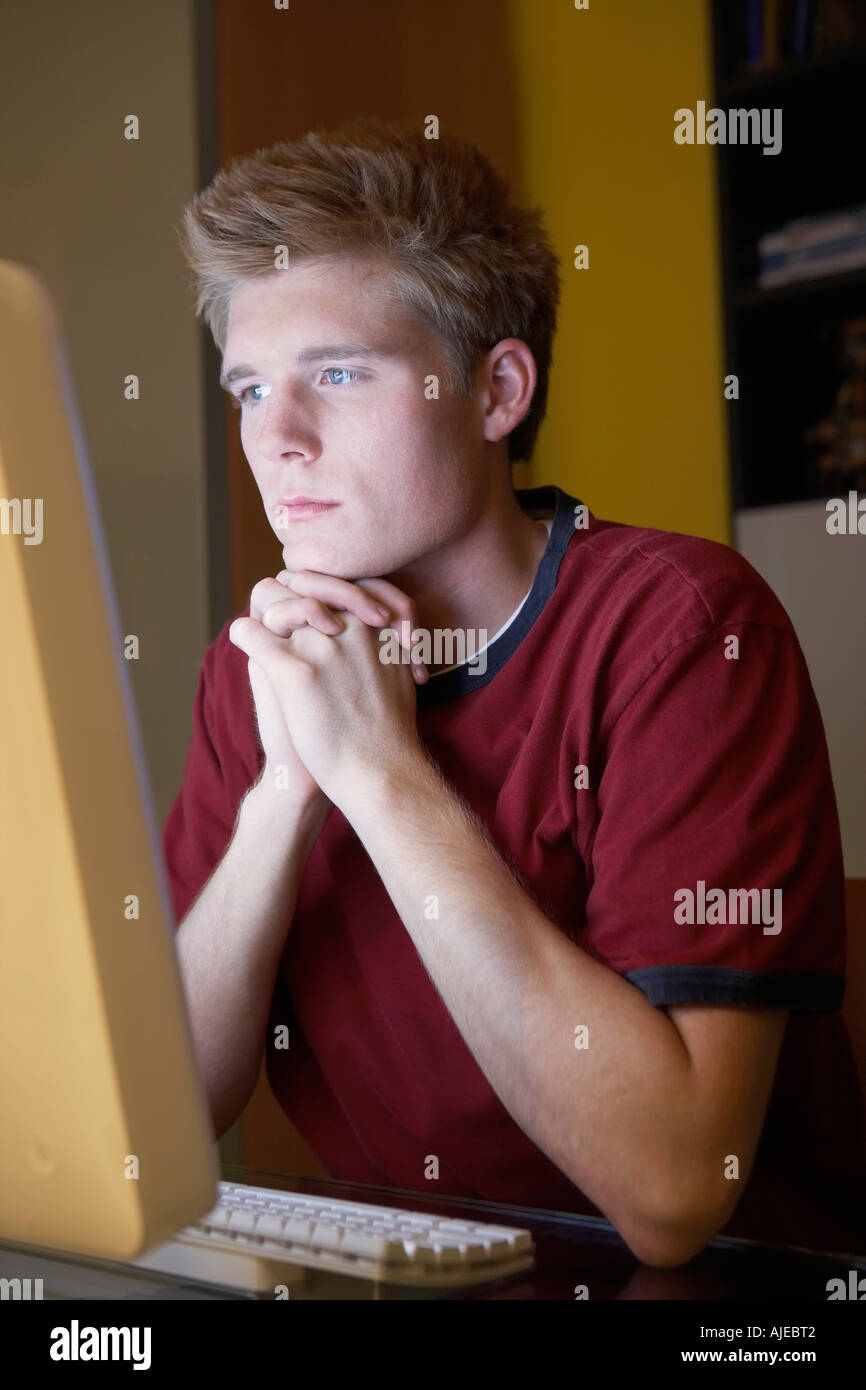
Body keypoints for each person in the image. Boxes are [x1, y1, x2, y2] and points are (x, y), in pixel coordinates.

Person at [164, 118, 866, 1266]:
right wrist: (286, 789)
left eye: (337, 373)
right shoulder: (260, 670)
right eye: (249, 387)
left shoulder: (685, 630)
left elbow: (676, 1188)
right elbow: (166, 1123)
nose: (276, 438)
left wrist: (380, 777)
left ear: (495, 391)